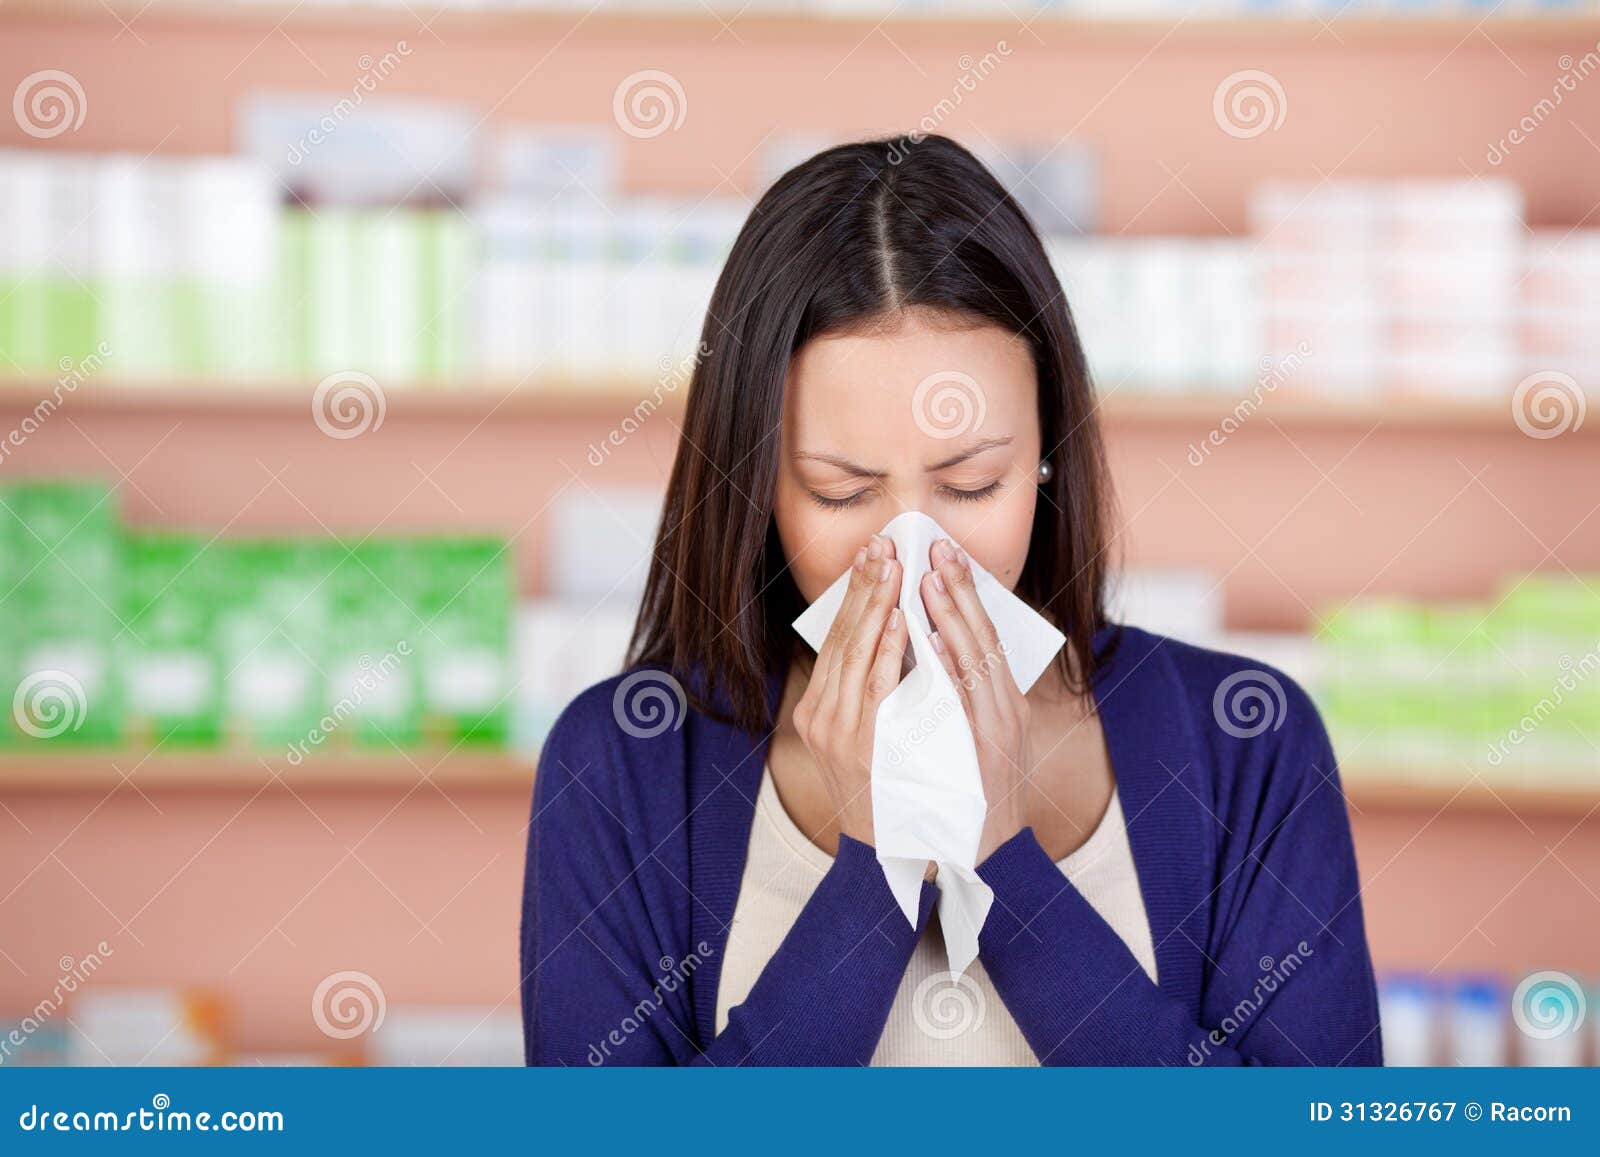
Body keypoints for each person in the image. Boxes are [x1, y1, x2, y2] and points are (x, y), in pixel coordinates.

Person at [520, 134, 1382, 1067]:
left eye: (971, 485)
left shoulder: (1244, 744)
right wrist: (869, 874)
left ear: (1048, 456)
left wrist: (1008, 865)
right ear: (756, 484)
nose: (910, 550)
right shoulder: (622, 765)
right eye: (841, 492)